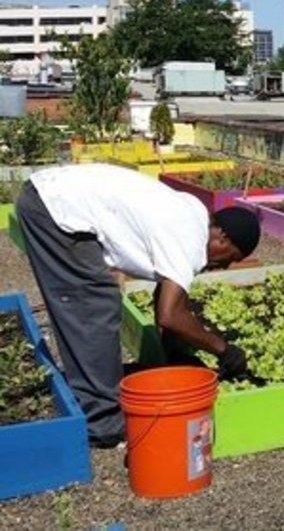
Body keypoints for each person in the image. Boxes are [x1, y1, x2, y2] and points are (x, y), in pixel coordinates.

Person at [15, 163, 259, 447]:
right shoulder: (190, 241)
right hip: (55, 209)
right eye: (231, 256)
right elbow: (170, 316)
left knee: (95, 302)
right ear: (222, 238)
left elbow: (165, 302)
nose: (226, 265)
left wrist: (175, 357)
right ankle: (104, 425)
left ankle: (98, 404)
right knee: (94, 306)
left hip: (54, 194)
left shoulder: (192, 216)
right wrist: (224, 349)